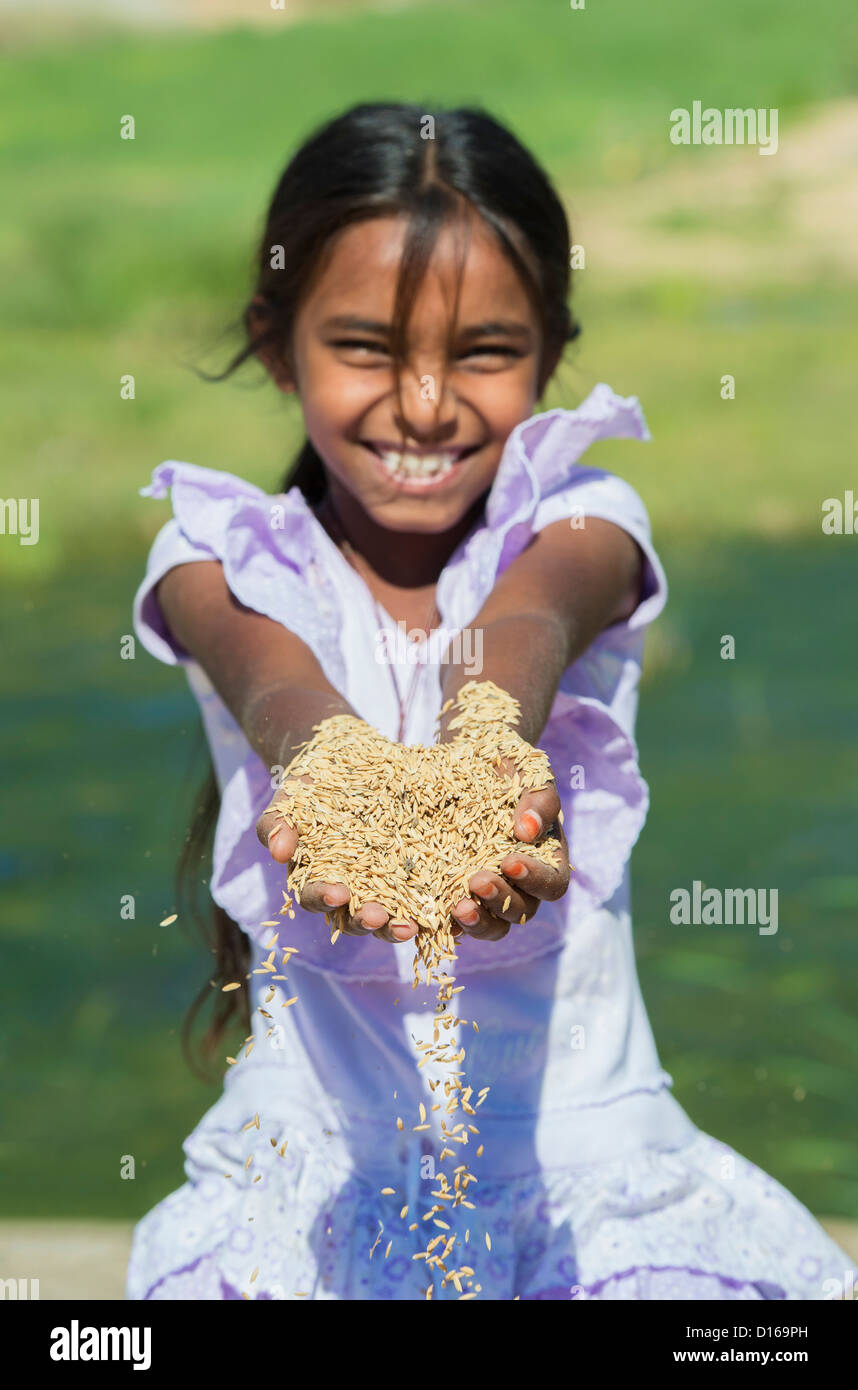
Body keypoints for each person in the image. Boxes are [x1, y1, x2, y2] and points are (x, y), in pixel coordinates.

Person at [125, 103, 855, 1300]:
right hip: (309, 1176)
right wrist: (336, 774)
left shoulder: (582, 522)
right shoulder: (216, 556)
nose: (423, 405)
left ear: (552, 348)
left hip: (587, 1168)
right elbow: (275, 683)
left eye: (482, 352)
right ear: (275, 343)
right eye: (364, 347)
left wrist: (485, 754)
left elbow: (521, 627)